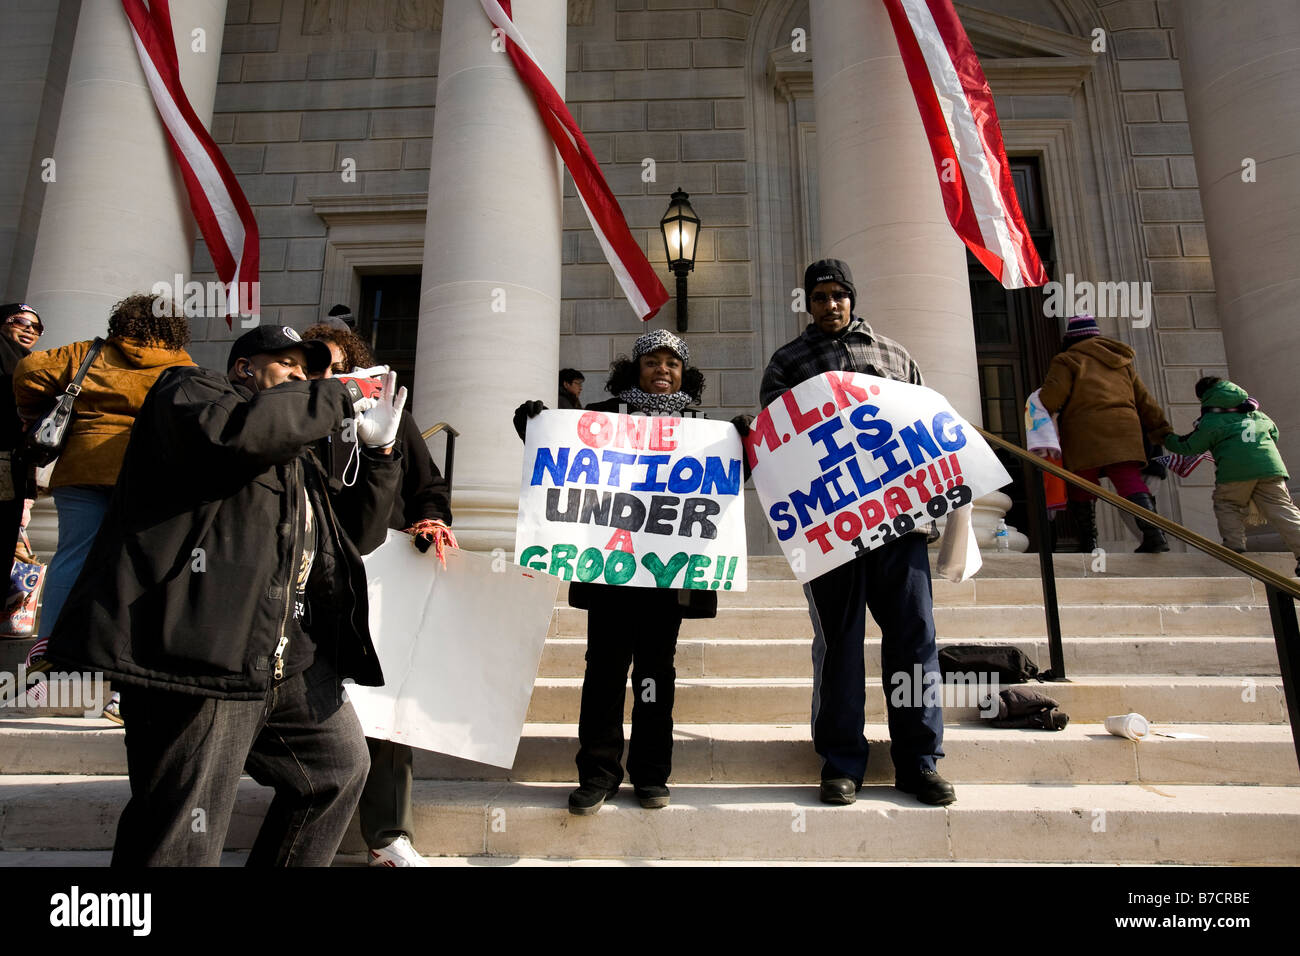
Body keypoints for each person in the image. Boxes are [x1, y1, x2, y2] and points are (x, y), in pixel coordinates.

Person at [41, 325, 406, 866]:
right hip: (204, 658)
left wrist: (380, 455)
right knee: (183, 830)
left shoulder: (294, 454)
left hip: (288, 662)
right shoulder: (188, 392)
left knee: (335, 772)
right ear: (244, 369)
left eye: (311, 373)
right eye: (289, 365)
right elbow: (239, 436)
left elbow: (357, 537)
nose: (304, 379)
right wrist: (343, 392)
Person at [757, 258, 953, 807]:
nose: (830, 305)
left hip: (901, 523)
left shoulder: (895, 355)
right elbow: (775, 442)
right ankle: (842, 762)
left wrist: (931, 514)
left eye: (839, 295)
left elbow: (927, 431)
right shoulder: (788, 363)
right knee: (840, 644)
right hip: (832, 530)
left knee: (914, 639)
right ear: (807, 303)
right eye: (819, 297)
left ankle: (920, 761)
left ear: (852, 298)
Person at [514, 330, 716, 814]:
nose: (662, 370)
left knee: (654, 674)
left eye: (672, 363)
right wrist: (534, 426)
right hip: (610, 572)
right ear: (635, 368)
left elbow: (723, 489)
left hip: (666, 577)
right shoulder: (600, 416)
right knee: (604, 672)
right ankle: (598, 774)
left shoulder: (701, 427)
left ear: (684, 372)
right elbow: (561, 455)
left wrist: (744, 443)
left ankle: (651, 775)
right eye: (652, 362)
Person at [303, 322, 455, 866]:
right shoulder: (289, 419)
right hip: (305, 582)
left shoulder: (397, 420)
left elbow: (428, 489)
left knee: (382, 709)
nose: (326, 374)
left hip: (380, 580)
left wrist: (431, 520)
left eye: (336, 363)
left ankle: (388, 833)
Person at [13, 292, 194, 723]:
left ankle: (51, 650)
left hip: (82, 466)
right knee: (137, 568)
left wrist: (32, 410)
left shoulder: (88, 352)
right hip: (148, 476)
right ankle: (122, 664)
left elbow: (28, 369)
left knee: (72, 557)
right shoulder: (181, 366)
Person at [1037, 314, 1174, 553]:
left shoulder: (1068, 359)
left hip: (1085, 431)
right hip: (1125, 430)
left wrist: (1038, 405)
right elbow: (1145, 401)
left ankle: (1088, 543)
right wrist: (1162, 430)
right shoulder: (1122, 361)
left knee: (1081, 483)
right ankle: (1154, 534)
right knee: (1128, 480)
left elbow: (1051, 398)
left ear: (1071, 337)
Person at [1164, 377, 1300, 574]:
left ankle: (1234, 548)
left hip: (1234, 471)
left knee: (1227, 504)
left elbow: (1189, 446)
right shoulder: (1257, 414)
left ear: (1206, 396)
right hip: (1270, 469)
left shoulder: (1212, 420)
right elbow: (1274, 434)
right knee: (1283, 510)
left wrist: (1165, 437)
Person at [0, 304, 41, 575]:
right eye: (19, 321)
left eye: (36, 327)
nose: (29, 329)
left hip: (14, 466)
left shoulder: (26, 364)